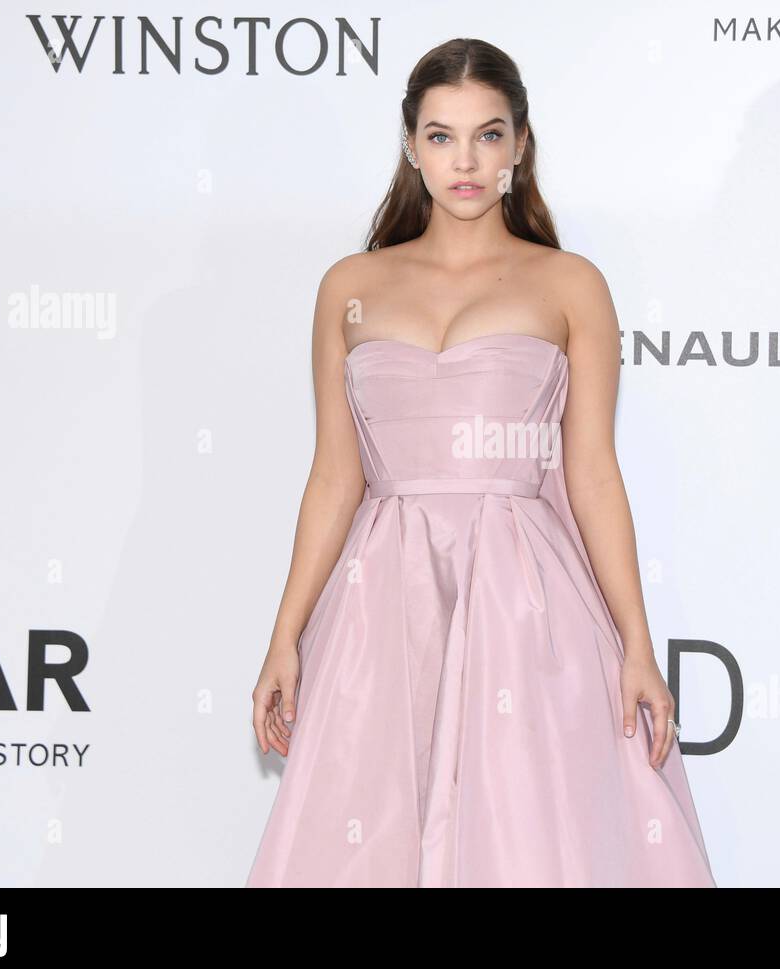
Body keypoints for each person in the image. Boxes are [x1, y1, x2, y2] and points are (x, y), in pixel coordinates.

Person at [246, 38, 715, 887]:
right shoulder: (348, 287)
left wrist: (637, 643)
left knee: (521, 836)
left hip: (523, 598)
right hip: (382, 595)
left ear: (520, 144)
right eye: (440, 136)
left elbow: (595, 475)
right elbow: (333, 475)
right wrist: (285, 632)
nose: (465, 160)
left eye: (488, 135)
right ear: (410, 145)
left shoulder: (571, 284)